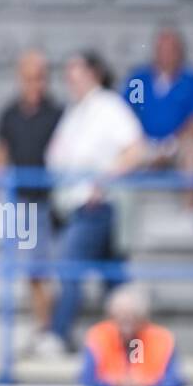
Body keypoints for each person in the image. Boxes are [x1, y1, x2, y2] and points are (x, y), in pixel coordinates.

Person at [39, 52, 147, 355]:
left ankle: (58, 335)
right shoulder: (77, 111)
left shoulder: (109, 107)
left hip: (95, 207)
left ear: (94, 73)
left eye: (77, 71)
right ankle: (136, 347)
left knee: (69, 266)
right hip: (72, 207)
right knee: (115, 280)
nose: (70, 78)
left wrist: (105, 181)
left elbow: (136, 150)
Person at [0, 49, 62, 342]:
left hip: (51, 202)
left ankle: (48, 329)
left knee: (43, 269)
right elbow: (1, 152)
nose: (35, 84)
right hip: (22, 202)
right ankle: (45, 328)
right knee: (34, 270)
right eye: (29, 78)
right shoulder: (9, 113)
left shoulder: (58, 113)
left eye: (40, 78)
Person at [122, 27, 193, 207]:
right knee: (120, 154)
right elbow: (125, 114)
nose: (166, 53)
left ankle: (190, 211)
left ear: (180, 51)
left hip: (177, 144)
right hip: (142, 144)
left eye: (171, 49)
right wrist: (144, 144)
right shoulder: (139, 79)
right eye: (162, 48)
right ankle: (121, 218)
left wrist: (171, 145)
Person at [80, 285, 184, 386]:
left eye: (133, 317)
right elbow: (88, 380)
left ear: (143, 317)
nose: (127, 324)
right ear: (112, 316)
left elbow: (174, 382)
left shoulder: (162, 339)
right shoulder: (98, 336)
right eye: (121, 317)